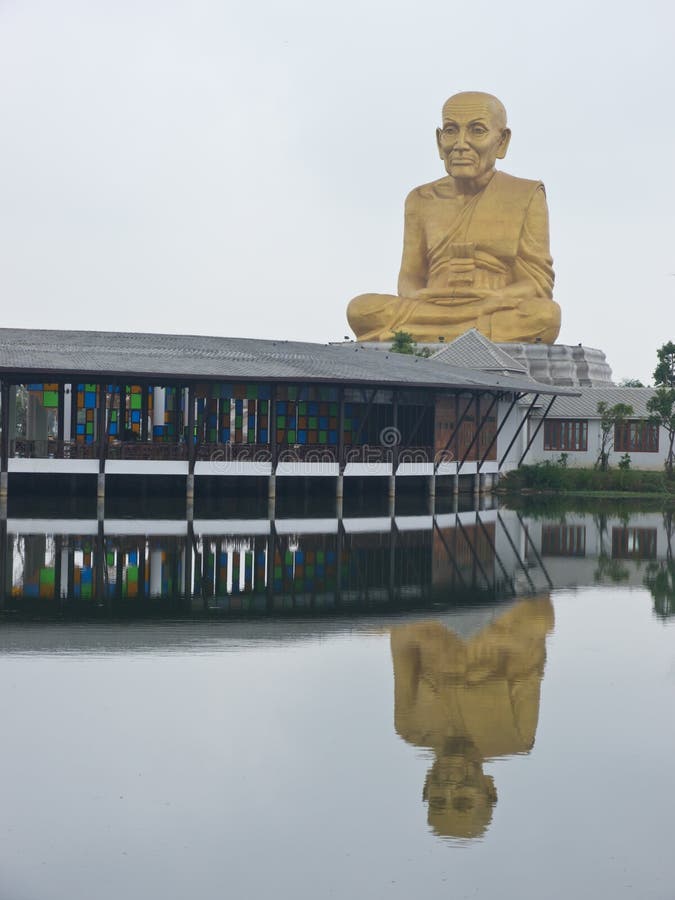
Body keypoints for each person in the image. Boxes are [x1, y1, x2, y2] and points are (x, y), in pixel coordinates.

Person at [347, 92, 561, 344]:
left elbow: (537, 283)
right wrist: (424, 296)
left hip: (494, 307)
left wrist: (491, 300)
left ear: (502, 141)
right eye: (451, 131)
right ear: (439, 141)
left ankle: (421, 336)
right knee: (360, 308)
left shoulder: (524, 194)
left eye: (477, 131)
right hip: (431, 305)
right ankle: (467, 334)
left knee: (545, 315)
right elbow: (409, 277)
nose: (460, 143)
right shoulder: (421, 199)